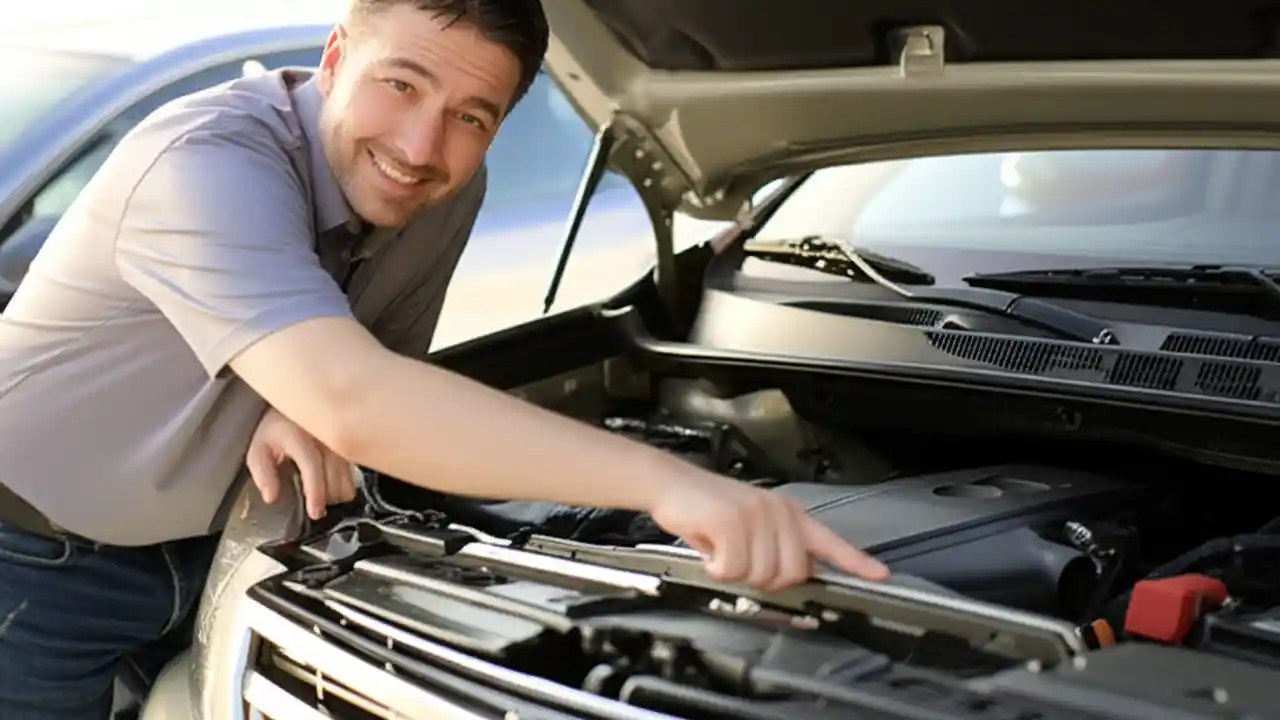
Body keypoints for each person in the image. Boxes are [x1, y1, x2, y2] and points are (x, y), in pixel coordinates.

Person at [0, 0, 889, 716]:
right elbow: (362, 401)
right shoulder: (201, 162)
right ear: (338, 56)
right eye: (401, 83)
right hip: (29, 566)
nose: (423, 148)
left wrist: (295, 396)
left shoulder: (440, 188)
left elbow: (374, 365)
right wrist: (674, 485)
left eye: (472, 116)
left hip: (223, 546)